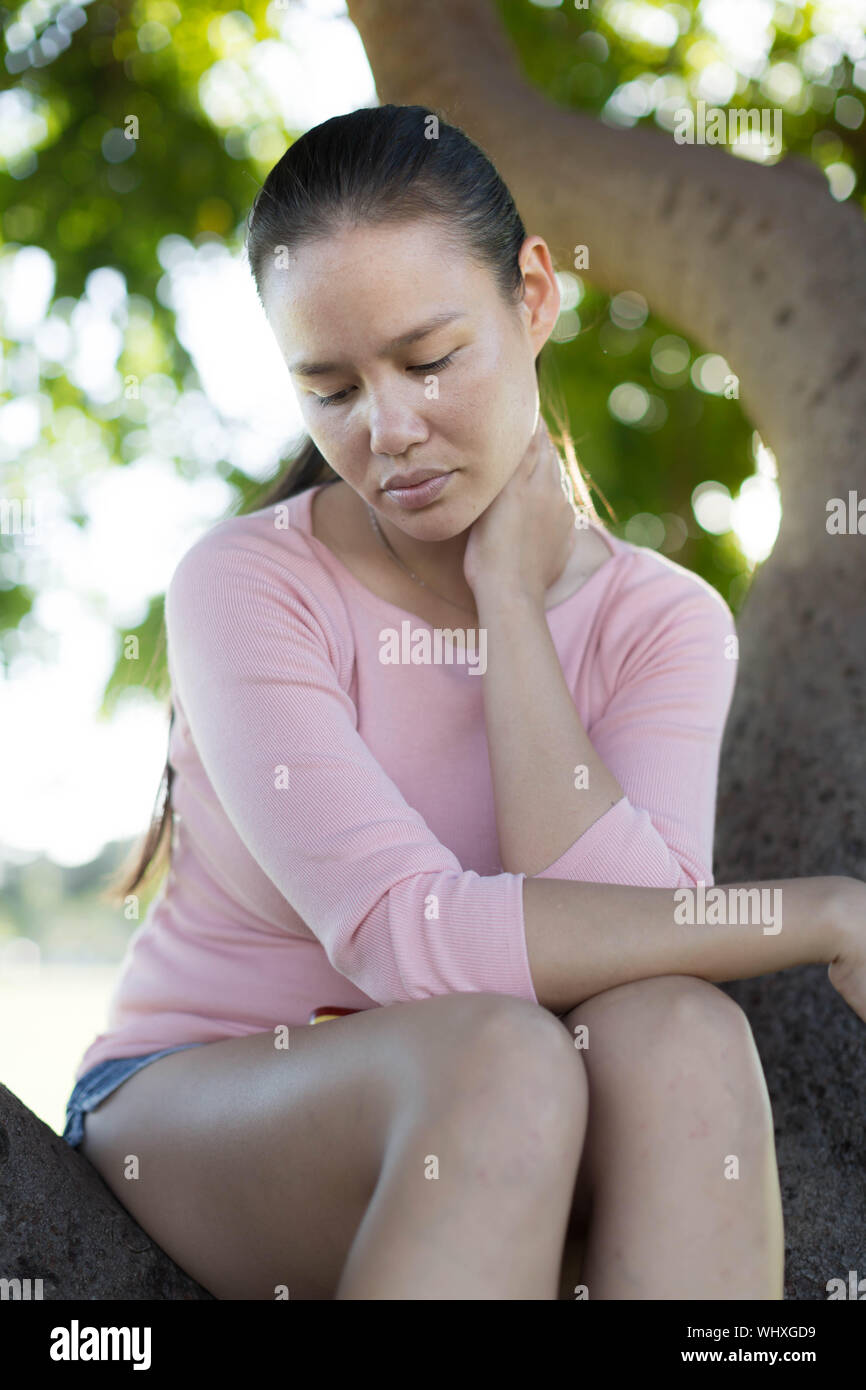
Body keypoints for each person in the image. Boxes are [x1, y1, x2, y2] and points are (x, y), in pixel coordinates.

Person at [63, 105, 865, 1301]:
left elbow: (641, 944)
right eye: (330, 388)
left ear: (533, 296)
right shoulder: (245, 583)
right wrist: (822, 913)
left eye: (428, 360)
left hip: (521, 1104)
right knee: (501, 1058)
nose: (389, 432)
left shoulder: (663, 618)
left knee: (683, 1033)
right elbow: (403, 938)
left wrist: (511, 609)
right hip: (213, 1099)